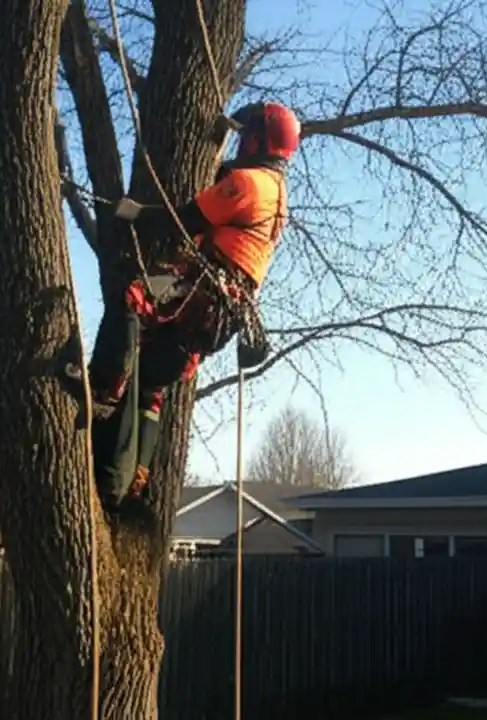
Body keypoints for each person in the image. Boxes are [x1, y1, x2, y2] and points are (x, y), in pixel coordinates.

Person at [78, 101, 302, 512]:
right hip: (221, 313)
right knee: (153, 387)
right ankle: (134, 487)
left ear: (257, 140)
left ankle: (103, 385)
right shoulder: (275, 192)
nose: (241, 140)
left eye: (245, 134)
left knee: (134, 295)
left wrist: (136, 214)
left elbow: (184, 220)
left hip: (204, 290)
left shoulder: (249, 184)